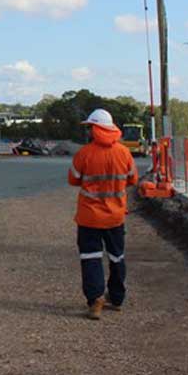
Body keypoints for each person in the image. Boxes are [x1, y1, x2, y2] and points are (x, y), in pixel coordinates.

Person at [68, 108, 138, 320]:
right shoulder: (124, 152)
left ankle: (95, 300)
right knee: (117, 257)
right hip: (116, 216)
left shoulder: (84, 153)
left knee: (91, 258)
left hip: (89, 217)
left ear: (95, 129)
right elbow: (133, 179)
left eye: (90, 127)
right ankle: (116, 298)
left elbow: (73, 179)